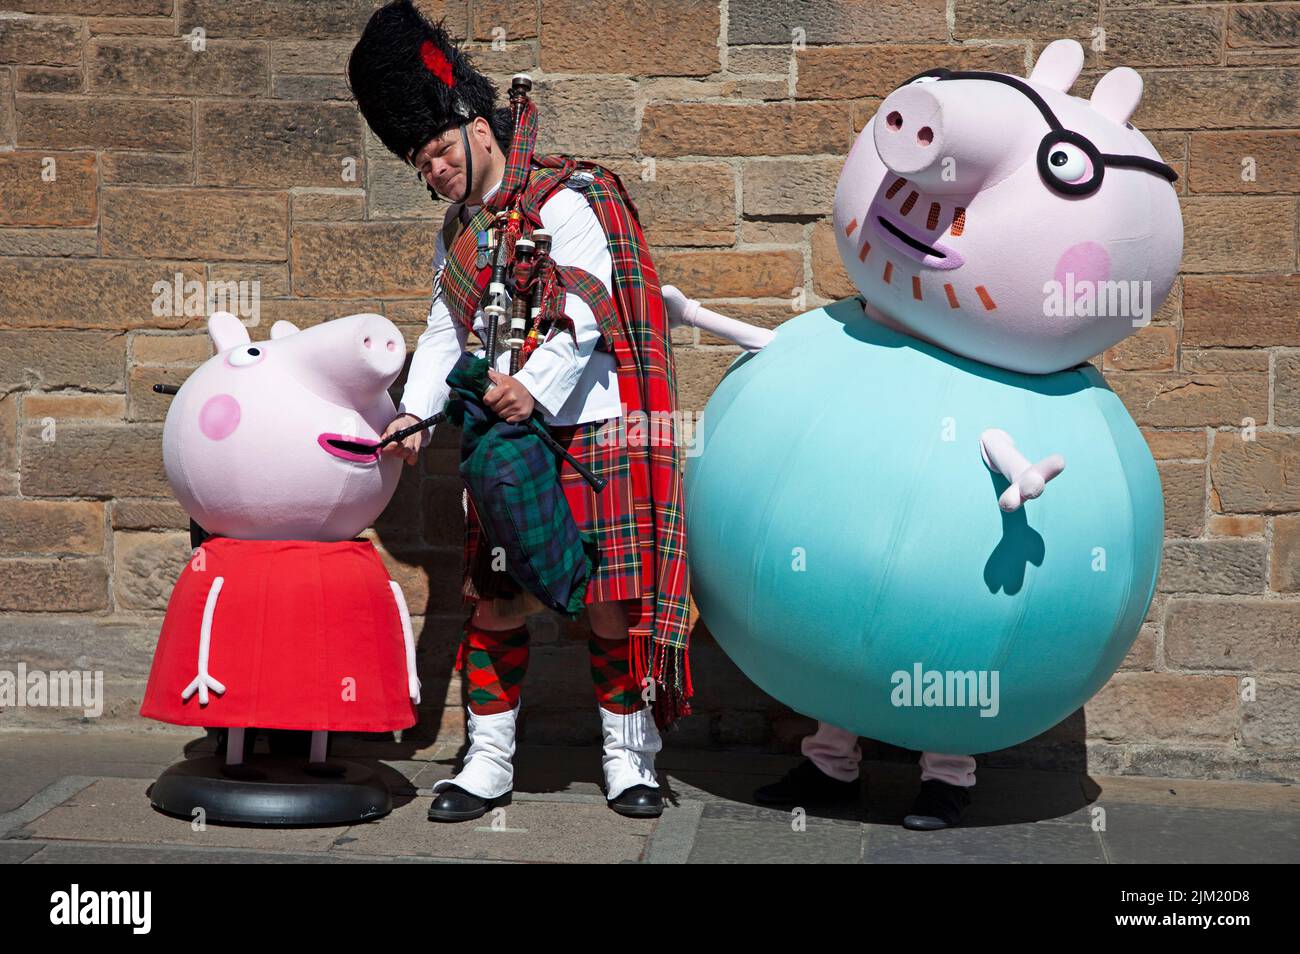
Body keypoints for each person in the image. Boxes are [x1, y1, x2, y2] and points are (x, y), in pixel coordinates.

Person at [348, 0, 692, 822]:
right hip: (506, 441)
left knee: (611, 599)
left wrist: (531, 386)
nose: (433, 171)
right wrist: (416, 414)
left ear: (475, 125)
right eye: (418, 163)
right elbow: (444, 329)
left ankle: (628, 760)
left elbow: (588, 309)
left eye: (436, 150)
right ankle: (489, 761)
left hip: (588, 427)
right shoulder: (458, 231)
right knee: (497, 595)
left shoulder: (571, 199)